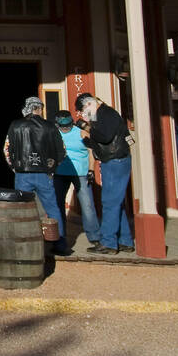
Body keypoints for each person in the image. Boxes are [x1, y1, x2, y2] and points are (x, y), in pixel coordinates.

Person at [5, 96, 71, 256]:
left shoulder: (16, 125)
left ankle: (22, 243)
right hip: (44, 173)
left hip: (23, 174)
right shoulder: (50, 127)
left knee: (21, 209)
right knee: (53, 208)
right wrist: (52, 168)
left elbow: (7, 149)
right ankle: (59, 243)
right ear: (40, 108)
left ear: (27, 108)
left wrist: (15, 167)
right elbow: (62, 151)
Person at [75, 93, 135, 255]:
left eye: (82, 110)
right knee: (117, 202)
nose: (83, 114)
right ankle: (125, 240)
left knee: (109, 202)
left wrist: (86, 127)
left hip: (115, 160)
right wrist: (88, 139)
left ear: (88, 104)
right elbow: (101, 140)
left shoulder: (106, 114)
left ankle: (108, 242)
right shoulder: (104, 115)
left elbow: (105, 136)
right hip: (114, 159)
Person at [54, 109, 100, 248]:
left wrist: (91, 169)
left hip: (80, 172)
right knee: (58, 204)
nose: (65, 129)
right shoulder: (55, 134)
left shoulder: (81, 132)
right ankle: (60, 235)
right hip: (60, 172)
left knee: (87, 205)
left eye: (67, 125)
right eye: (63, 126)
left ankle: (94, 236)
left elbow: (91, 151)